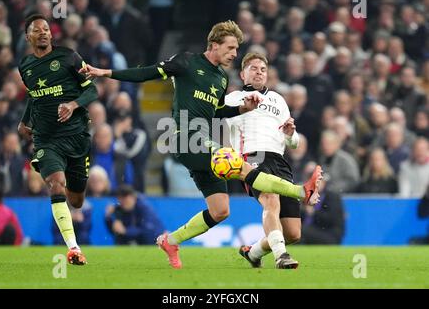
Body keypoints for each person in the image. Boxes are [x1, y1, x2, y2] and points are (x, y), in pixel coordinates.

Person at [81, 20, 322, 269]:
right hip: (185, 137)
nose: (234, 54)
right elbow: (147, 72)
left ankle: (171, 241)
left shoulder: (220, 78)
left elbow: (217, 112)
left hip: (205, 142)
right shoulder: (186, 61)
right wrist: (106, 73)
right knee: (237, 165)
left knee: (220, 210)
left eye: (236, 49)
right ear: (214, 45)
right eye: (230, 48)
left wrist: (241, 108)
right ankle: (300, 191)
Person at [17, 14, 98, 265]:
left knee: (76, 200)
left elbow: (92, 89)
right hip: (45, 138)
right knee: (55, 182)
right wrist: (24, 120)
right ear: (28, 36)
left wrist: (74, 104)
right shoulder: (26, 66)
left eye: (46, 29)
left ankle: (73, 235)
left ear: (51, 34)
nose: (43, 33)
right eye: (37, 30)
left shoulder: (69, 57)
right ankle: (73, 248)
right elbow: (35, 97)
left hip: (76, 137)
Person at [224, 52, 307, 269]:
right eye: (253, 68)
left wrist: (290, 134)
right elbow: (220, 121)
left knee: (292, 232)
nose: (259, 72)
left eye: (263, 69)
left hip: (279, 160)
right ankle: (281, 256)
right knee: (270, 199)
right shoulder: (234, 98)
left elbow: (294, 143)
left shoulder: (278, 100)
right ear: (243, 74)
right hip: (252, 157)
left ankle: (253, 253)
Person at [0, 180, 23, 245]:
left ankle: (8, 249)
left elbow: (17, 230)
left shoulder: (7, 212)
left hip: (0, 241)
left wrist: (17, 245)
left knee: (9, 229)